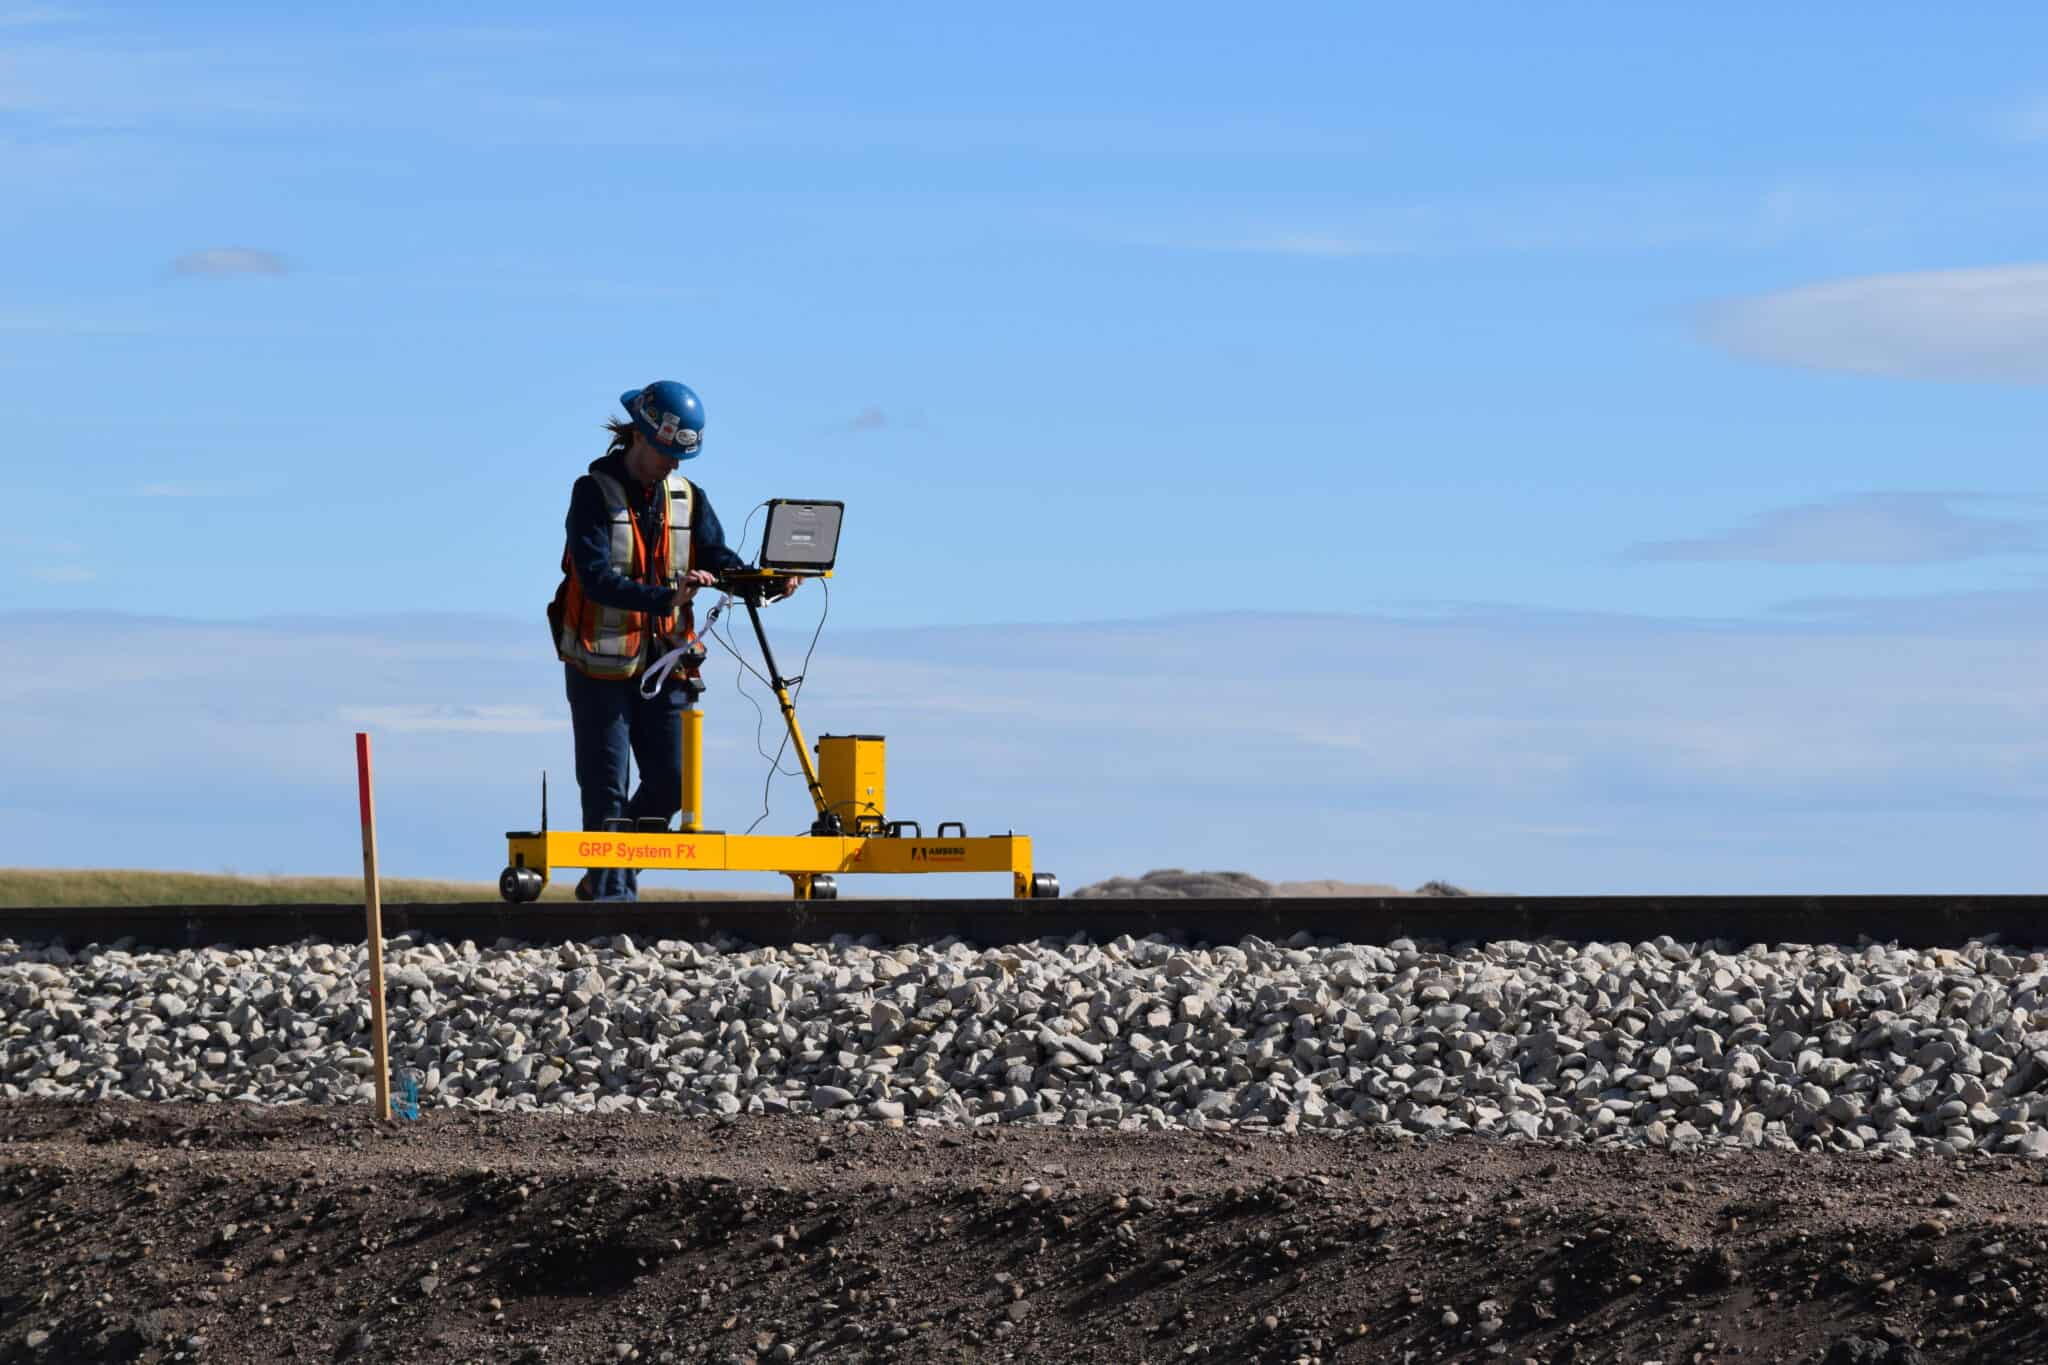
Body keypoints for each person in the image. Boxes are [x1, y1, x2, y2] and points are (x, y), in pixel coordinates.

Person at [550, 380, 794, 901]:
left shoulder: (687, 498)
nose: (674, 465)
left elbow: (717, 557)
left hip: (669, 665)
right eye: (667, 453)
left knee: (672, 782)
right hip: (600, 666)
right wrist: (666, 598)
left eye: (680, 456)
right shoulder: (591, 494)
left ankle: (607, 877)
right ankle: (613, 901)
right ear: (638, 436)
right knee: (606, 787)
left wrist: (765, 583)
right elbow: (595, 578)